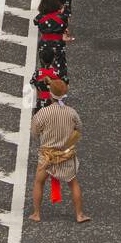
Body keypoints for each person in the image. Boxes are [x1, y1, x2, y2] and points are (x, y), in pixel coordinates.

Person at [30, 78, 89, 223]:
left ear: (51, 94)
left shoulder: (43, 113)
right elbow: (79, 129)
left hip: (47, 156)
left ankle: (36, 213)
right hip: (66, 154)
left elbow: (34, 133)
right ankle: (79, 214)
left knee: (39, 182)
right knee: (73, 183)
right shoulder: (72, 113)